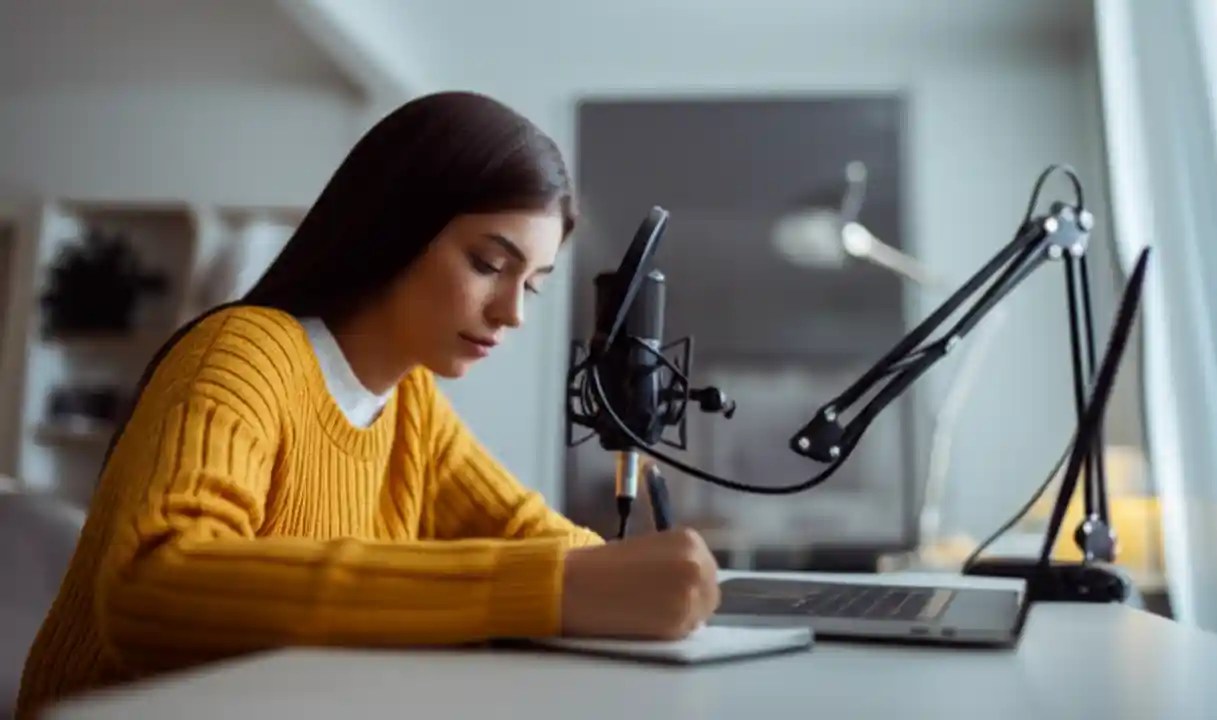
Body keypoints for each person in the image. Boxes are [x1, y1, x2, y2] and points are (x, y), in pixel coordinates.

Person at [15, 91, 721, 718]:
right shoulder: (242, 353)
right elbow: (151, 585)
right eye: (488, 265)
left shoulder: (411, 404)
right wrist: (557, 589)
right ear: (397, 226)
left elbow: (537, 538)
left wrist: (636, 582)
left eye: (530, 285)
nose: (512, 314)